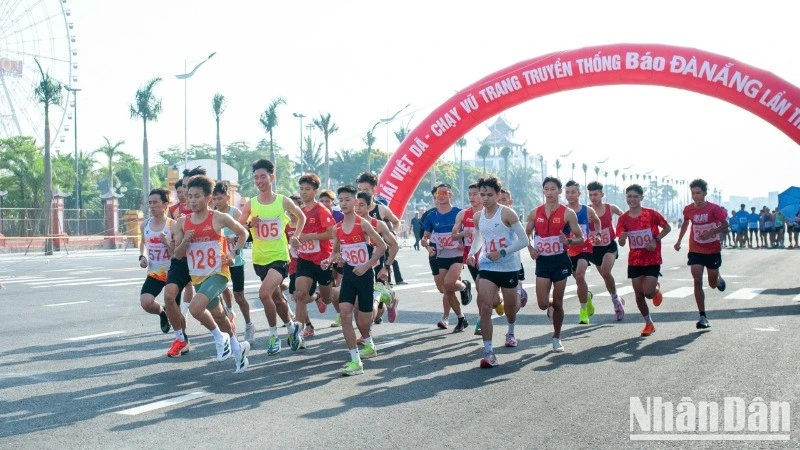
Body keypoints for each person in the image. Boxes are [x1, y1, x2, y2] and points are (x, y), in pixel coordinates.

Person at [173, 174, 251, 373]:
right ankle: (238, 349)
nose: (192, 200)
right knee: (220, 316)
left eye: (197, 196)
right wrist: (185, 241)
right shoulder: (182, 222)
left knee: (195, 308)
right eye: (189, 196)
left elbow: (243, 233)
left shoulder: (219, 217)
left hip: (218, 273)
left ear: (208, 198)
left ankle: (219, 337)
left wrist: (233, 253)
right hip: (198, 276)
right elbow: (178, 254)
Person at [238, 159, 305, 355]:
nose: (259, 181)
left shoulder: (282, 201)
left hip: (279, 257)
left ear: (272, 177)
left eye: (263, 176)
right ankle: (292, 328)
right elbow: (239, 227)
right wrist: (250, 224)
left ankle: (274, 336)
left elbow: (301, 217)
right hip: (260, 259)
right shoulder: (251, 204)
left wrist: (296, 236)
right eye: (256, 178)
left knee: (263, 294)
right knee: (276, 298)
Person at [322, 185, 387, 376]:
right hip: (350, 274)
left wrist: (367, 265)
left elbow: (382, 246)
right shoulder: (337, 228)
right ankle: (355, 361)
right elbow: (336, 252)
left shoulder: (363, 224)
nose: (343, 203)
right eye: (340, 200)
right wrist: (329, 260)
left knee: (364, 322)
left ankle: (369, 343)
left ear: (355, 201)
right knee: (345, 314)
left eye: (347, 200)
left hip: (365, 275)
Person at [467, 176, 530, 367]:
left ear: (498, 195)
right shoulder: (478, 217)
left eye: (489, 195)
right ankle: (489, 353)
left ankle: (510, 332)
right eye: (482, 194)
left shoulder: (507, 213)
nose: (485, 198)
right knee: (485, 308)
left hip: (509, 266)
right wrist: (471, 254)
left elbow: (524, 240)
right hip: (487, 265)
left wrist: (502, 252)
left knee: (511, 310)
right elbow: (479, 238)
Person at [526, 177, 584, 353]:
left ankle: (557, 337)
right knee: (543, 304)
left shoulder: (568, 213)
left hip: (560, 260)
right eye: (546, 189)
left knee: (558, 303)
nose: (549, 192)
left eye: (553, 189)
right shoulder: (535, 213)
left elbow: (580, 238)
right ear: (543, 191)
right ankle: (549, 306)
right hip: (543, 261)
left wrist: (569, 241)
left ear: (559, 191)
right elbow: (525, 235)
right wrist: (531, 248)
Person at [162, 167, 207, 358]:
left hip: (204, 261)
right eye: (185, 185)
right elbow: (171, 235)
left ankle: (228, 336)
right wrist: (171, 242)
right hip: (181, 259)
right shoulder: (175, 211)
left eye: (191, 186)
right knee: (169, 297)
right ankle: (181, 338)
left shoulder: (212, 211)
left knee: (216, 308)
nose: (186, 190)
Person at [616, 184, 671, 337]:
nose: (632, 199)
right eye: (629, 196)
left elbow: (667, 228)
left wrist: (655, 240)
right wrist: (622, 238)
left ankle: (656, 290)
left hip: (652, 258)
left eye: (635, 196)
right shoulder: (623, 219)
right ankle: (648, 323)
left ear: (641, 198)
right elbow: (621, 242)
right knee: (639, 293)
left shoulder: (651, 214)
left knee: (648, 293)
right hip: (635, 260)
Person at [673, 178, 728, 329]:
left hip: (712, 249)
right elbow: (685, 224)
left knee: (711, 284)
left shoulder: (714, 208)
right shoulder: (688, 209)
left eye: (698, 193)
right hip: (695, 248)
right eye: (693, 193)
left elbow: (725, 225)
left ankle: (717, 280)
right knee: (697, 280)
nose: (695, 196)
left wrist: (711, 232)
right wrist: (679, 241)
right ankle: (702, 316)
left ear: (704, 193)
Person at [421, 183, 472, 332]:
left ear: (451, 195)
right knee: (445, 289)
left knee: (449, 283)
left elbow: (469, 231)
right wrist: (427, 246)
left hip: (457, 254)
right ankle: (461, 318)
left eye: (444, 193)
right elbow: (426, 237)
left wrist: (463, 242)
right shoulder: (431, 216)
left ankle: (463, 287)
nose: (441, 196)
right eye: (438, 194)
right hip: (441, 255)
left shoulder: (459, 213)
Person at [293, 174, 337, 344]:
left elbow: (331, 233)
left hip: (322, 260)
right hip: (305, 259)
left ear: (315, 191)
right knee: (300, 295)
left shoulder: (321, 210)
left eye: (308, 189)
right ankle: (297, 334)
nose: (303, 192)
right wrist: (296, 240)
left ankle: (320, 297)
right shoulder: (300, 212)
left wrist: (308, 236)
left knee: (327, 298)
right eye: (301, 189)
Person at [212, 182, 255, 344]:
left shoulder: (235, 213)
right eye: (215, 198)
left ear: (227, 197)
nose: (217, 201)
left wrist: (233, 238)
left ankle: (249, 325)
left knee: (239, 296)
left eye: (220, 198)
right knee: (220, 291)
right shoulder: (212, 214)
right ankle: (229, 314)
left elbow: (247, 234)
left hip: (235, 260)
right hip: (219, 261)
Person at [355, 192, 400, 325]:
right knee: (360, 302)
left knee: (376, 308)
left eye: (361, 205)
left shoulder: (378, 224)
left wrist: (386, 267)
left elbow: (394, 246)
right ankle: (365, 330)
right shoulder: (349, 224)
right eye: (356, 205)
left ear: (369, 207)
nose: (357, 208)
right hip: (358, 266)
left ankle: (390, 300)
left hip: (377, 267)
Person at [356, 173, 406, 285]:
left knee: (380, 290)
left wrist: (393, 233)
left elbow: (396, 222)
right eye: (359, 190)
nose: (362, 193)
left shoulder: (382, 209)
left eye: (366, 190)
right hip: (359, 258)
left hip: (379, 256)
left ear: (374, 190)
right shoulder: (352, 210)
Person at [587, 181, 626, 321]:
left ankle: (615, 300)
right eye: (590, 195)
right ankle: (617, 298)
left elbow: (625, 218)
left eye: (596, 194)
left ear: (602, 194)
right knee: (605, 276)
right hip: (594, 249)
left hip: (609, 246)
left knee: (605, 271)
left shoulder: (611, 208)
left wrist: (623, 231)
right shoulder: (587, 210)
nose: (593, 197)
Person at [564, 181, 602, 325]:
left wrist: (598, 234)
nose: (570, 195)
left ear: (579, 194)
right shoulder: (563, 211)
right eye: (567, 192)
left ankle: (583, 311)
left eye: (573, 192)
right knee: (578, 280)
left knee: (580, 275)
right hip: (569, 249)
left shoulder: (587, 210)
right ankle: (587, 296)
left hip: (585, 247)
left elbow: (597, 222)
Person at [138, 188, 174, 335]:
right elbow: (143, 243)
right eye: (150, 203)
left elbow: (179, 251)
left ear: (165, 204)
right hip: (155, 272)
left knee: (174, 308)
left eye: (155, 202)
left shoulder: (173, 225)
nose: (152, 206)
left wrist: (166, 243)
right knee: (146, 302)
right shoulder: (145, 225)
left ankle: (181, 338)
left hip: (173, 272)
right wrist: (142, 257)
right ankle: (162, 312)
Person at [452, 183, 484, 335]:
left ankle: (494, 303)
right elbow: (453, 235)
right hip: (471, 256)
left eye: (475, 194)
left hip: (488, 255)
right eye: (470, 194)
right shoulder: (463, 214)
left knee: (483, 286)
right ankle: (481, 319)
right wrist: (461, 235)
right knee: (479, 287)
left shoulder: (489, 213)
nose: (472, 197)